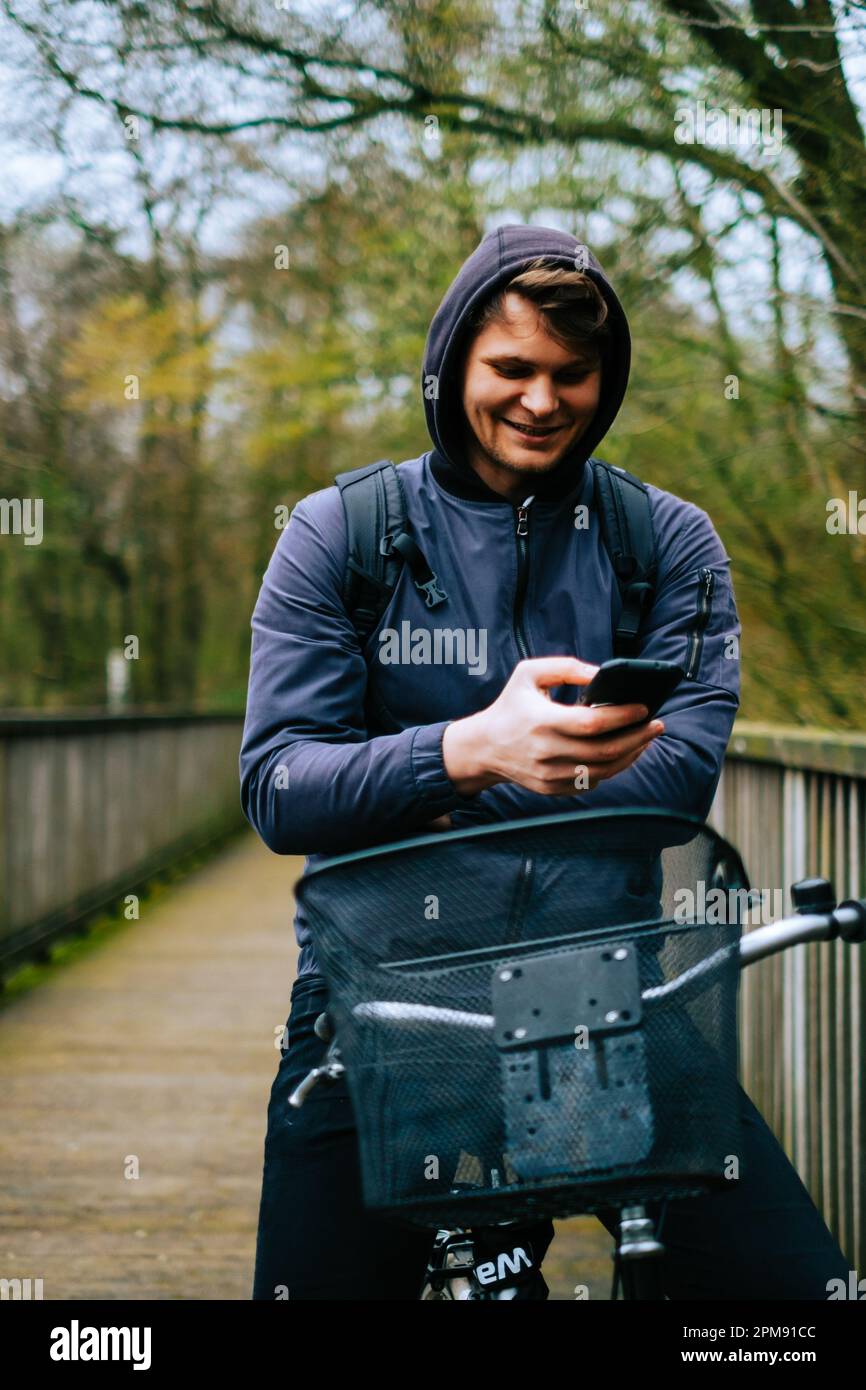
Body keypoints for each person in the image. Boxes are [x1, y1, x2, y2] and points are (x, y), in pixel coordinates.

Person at [239, 223, 849, 1300]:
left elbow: (674, 789)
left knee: (798, 1301)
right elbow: (283, 786)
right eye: (509, 368)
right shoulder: (339, 535)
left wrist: (427, 787)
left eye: (572, 374)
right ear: (451, 369)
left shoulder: (664, 543)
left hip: (602, 1003)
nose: (540, 399)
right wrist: (472, 746)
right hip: (375, 1006)